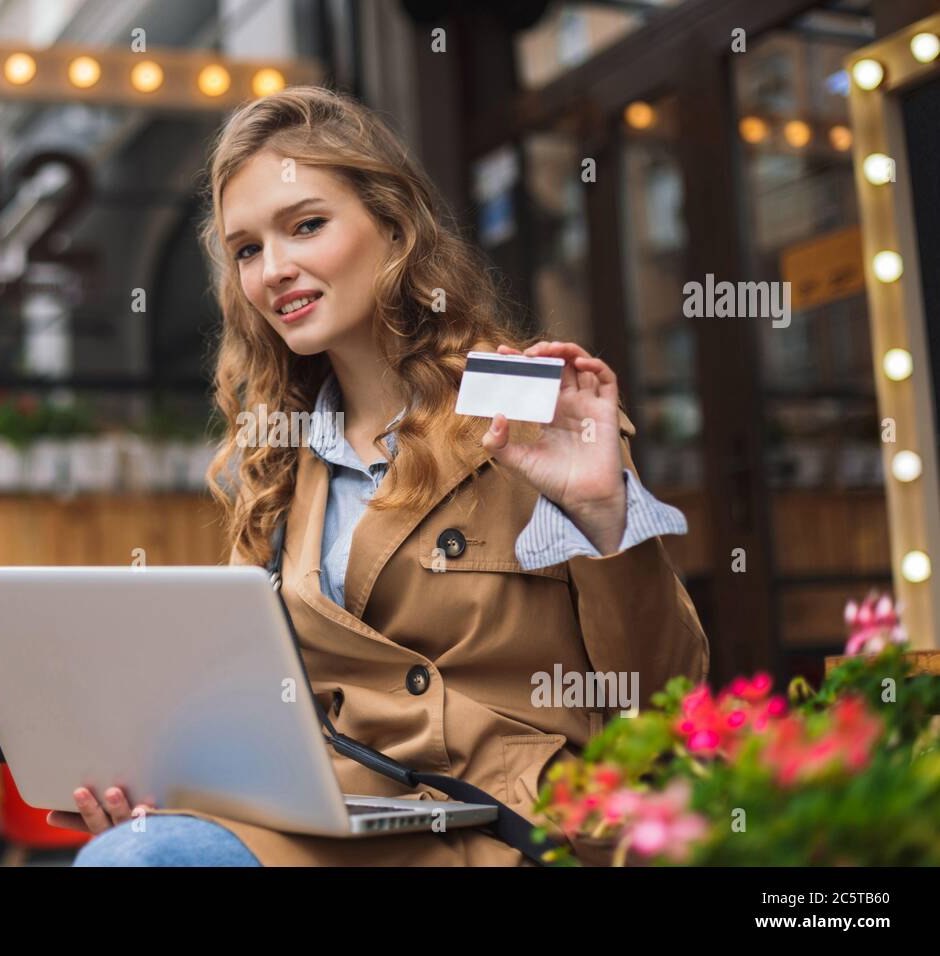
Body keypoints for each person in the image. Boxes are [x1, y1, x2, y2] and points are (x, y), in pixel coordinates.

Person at [58, 85, 709, 867]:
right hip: (337, 829)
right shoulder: (274, 465)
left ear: (393, 228)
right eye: (248, 249)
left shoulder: (525, 407)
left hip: (507, 830)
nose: (275, 270)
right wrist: (162, 797)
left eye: (306, 226)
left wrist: (605, 514)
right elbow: (249, 712)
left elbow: (660, 701)